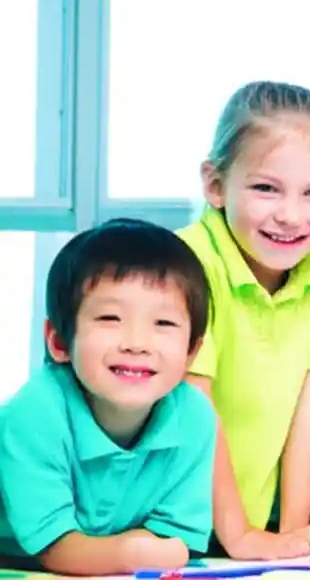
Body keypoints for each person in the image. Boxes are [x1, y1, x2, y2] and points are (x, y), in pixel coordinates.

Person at [178, 81, 310, 559]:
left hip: (248, 524)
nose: (290, 216)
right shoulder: (187, 261)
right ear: (215, 185)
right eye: (266, 189)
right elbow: (193, 408)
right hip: (162, 520)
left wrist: (292, 532)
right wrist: (238, 535)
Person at [0, 219, 215, 574]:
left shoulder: (193, 416)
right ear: (58, 341)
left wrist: (149, 551)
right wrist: (134, 553)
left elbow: (175, 537)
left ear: (192, 351)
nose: (136, 343)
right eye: (110, 317)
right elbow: (55, 549)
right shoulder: (35, 412)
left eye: (163, 323)